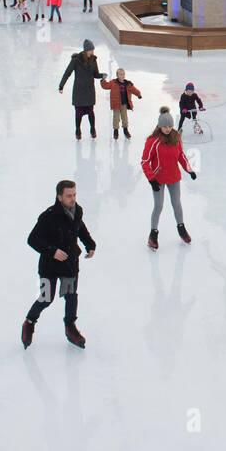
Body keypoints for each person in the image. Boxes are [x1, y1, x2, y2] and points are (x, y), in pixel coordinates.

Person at [22, 180, 96, 349]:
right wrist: (52, 251)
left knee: (70, 295)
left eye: (74, 195)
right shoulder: (48, 216)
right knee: (46, 298)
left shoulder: (77, 211)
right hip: (49, 266)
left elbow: (80, 228)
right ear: (59, 197)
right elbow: (32, 240)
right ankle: (29, 322)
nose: (73, 199)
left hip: (69, 264)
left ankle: (70, 327)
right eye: (69, 196)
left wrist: (89, 244)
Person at [141, 107, 196, 249]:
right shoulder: (153, 141)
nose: (168, 129)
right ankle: (153, 234)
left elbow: (181, 156)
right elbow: (145, 161)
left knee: (177, 203)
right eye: (165, 126)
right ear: (160, 126)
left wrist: (189, 170)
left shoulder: (176, 138)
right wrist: (151, 179)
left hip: (174, 177)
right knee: (158, 206)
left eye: (170, 126)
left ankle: (181, 228)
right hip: (158, 178)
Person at [59, 39, 106, 140]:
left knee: (91, 112)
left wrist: (102, 75)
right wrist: (61, 85)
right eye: (90, 50)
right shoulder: (76, 60)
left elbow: (95, 74)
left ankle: (92, 129)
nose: (92, 52)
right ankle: (78, 130)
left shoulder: (93, 60)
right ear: (85, 50)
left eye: (93, 50)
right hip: (79, 91)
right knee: (78, 113)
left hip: (89, 90)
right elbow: (67, 73)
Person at [99, 68, 142, 140]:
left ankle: (125, 130)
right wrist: (103, 80)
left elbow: (133, 90)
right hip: (116, 104)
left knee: (125, 118)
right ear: (117, 75)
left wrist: (138, 94)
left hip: (124, 104)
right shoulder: (113, 83)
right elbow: (105, 86)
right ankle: (116, 131)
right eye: (120, 74)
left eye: (123, 74)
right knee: (116, 118)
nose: (122, 76)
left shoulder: (128, 84)